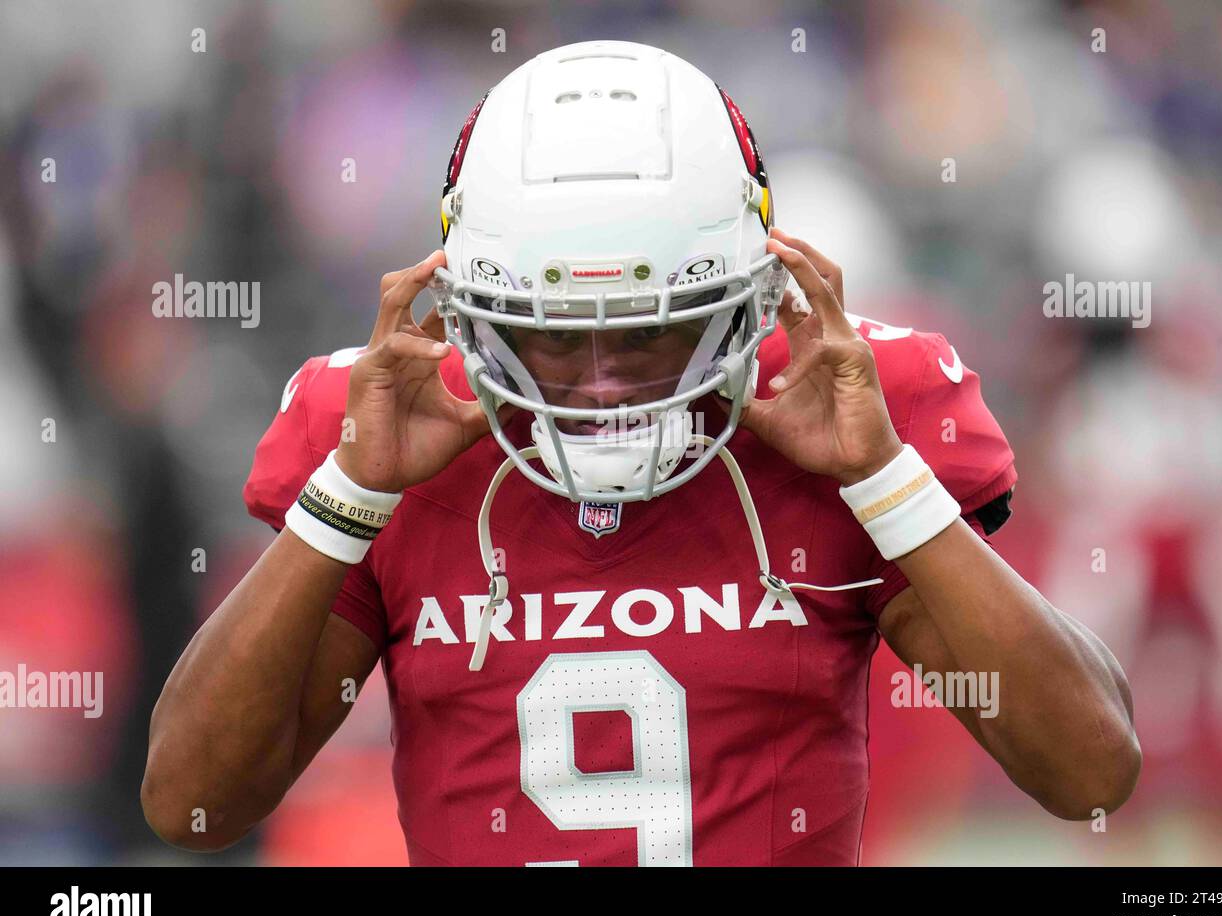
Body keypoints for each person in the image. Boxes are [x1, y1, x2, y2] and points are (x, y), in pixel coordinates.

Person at [142, 40, 1139, 866]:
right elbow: (190, 804)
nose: (601, 377)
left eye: (646, 333)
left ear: (751, 302)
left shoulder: (844, 416)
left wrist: (885, 480)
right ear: (470, 313)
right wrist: (346, 495)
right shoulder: (391, 442)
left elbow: (1089, 771)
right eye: (551, 333)